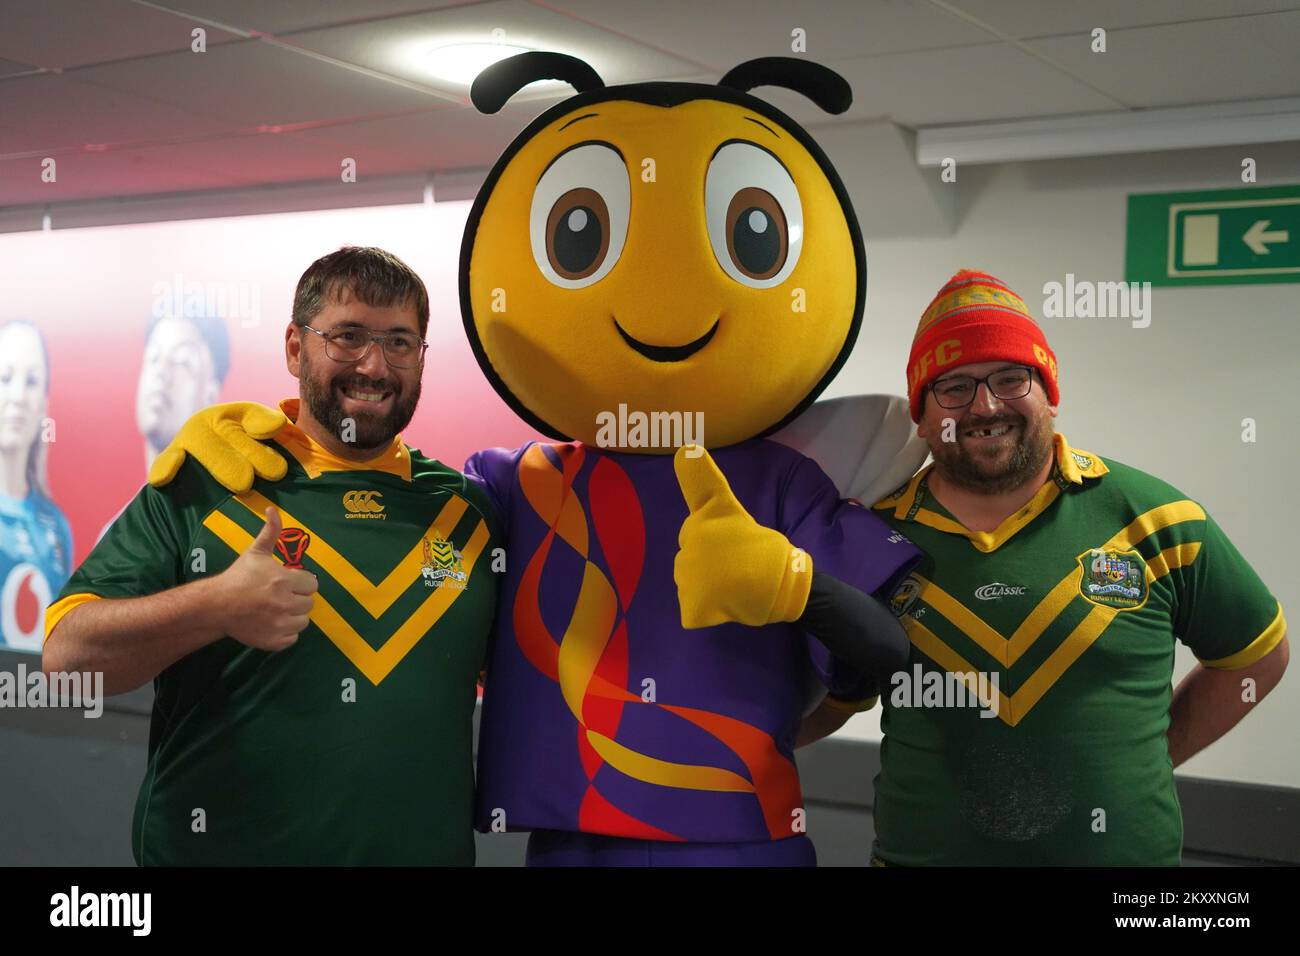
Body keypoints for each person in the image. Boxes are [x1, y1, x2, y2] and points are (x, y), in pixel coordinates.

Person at [803, 268, 1289, 865]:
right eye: (953, 387)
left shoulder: (1160, 519)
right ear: (922, 415)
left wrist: (1152, 757)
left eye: (1011, 378)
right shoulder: (869, 534)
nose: (985, 405)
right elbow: (833, 701)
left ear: (1049, 392)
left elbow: (1256, 658)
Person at [42, 247, 501, 865]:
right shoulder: (206, 483)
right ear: (294, 347)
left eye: (399, 342)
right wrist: (214, 605)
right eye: (347, 337)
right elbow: (69, 665)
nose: (374, 365)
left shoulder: (469, 513)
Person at [0, 320, 73, 651]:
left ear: (44, 404)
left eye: (31, 382)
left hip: (36, 702)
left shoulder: (55, 529)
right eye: (5, 378)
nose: (17, 396)